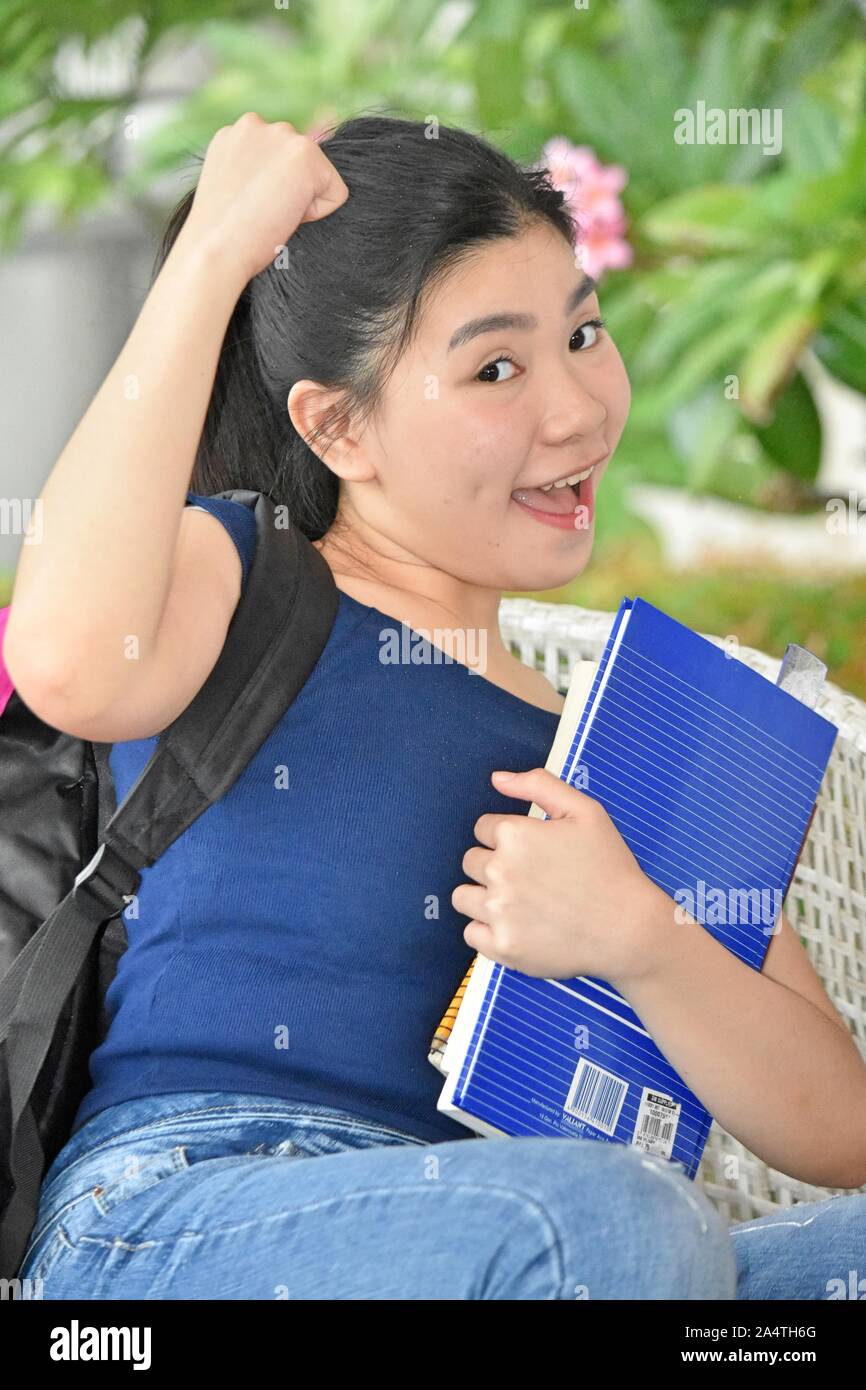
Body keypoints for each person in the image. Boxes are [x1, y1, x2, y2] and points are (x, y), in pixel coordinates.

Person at [6, 113, 865, 1300]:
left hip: (511, 1242)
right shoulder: (246, 580)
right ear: (336, 424)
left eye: (581, 332)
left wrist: (638, 937)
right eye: (495, 367)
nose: (574, 410)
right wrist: (215, 252)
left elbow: (837, 1131)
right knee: (608, 1220)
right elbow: (62, 662)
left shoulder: (625, 740)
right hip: (175, 1220)